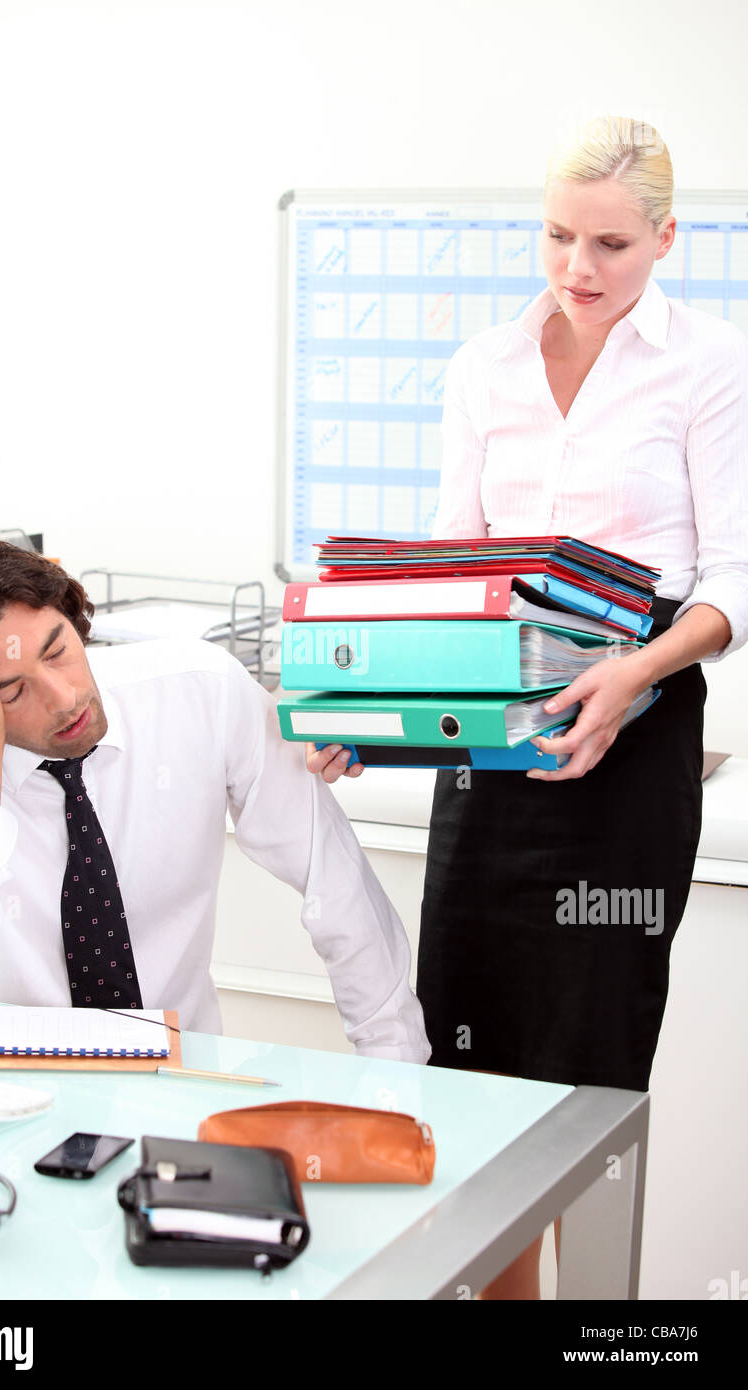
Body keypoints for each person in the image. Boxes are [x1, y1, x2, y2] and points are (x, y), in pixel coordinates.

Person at [308, 115, 748, 1296]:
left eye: (609, 243)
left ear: (665, 238)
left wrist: (630, 676)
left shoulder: (705, 363)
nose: (577, 269)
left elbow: (731, 579)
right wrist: (371, 703)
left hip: (632, 732)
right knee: (463, 1074)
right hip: (492, 736)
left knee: (583, 1073)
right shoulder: (481, 365)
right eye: (556, 235)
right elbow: (455, 569)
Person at [0, 535, 430, 1065]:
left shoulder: (200, 691)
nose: (65, 697)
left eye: (58, 652)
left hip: (180, 1080)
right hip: (4, 1094)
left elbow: (334, 880)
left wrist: (395, 1068)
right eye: (11, 691)